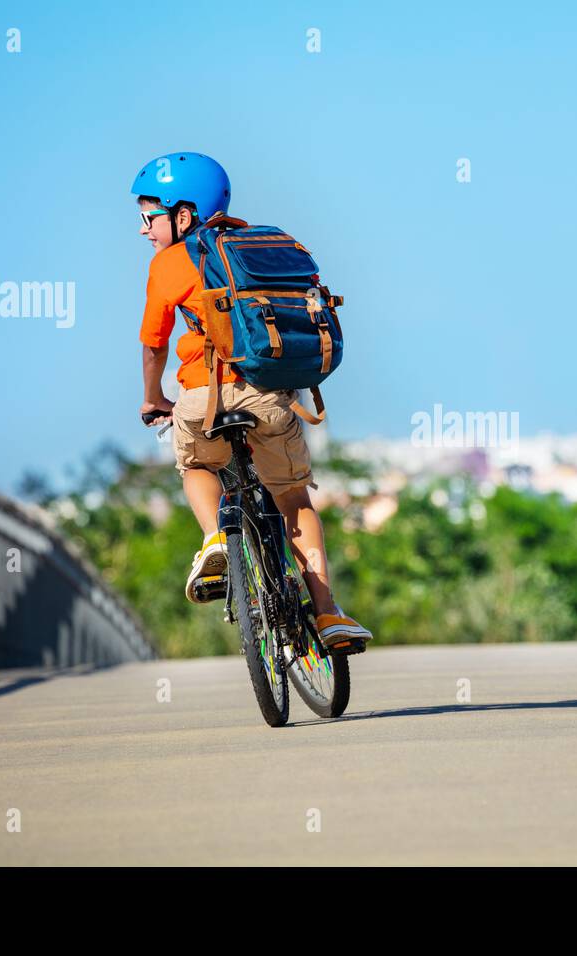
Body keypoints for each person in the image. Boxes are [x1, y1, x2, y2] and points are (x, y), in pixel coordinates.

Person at [131, 151, 371, 649]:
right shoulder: (265, 244)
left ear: (182, 214)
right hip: (271, 397)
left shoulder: (170, 263)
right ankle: (327, 614)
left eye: (148, 217)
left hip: (201, 399)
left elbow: (154, 343)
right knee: (292, 498)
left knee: (196, 462)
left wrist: (154, 397)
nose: (143, 230)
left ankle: (216, 537)